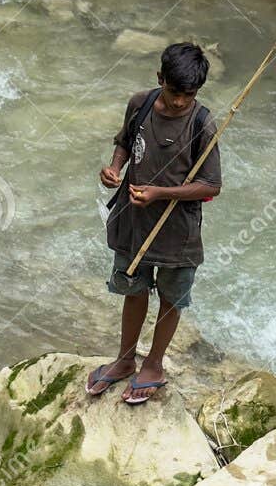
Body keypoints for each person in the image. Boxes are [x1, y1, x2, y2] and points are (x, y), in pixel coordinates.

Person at [87, 42, 223, 405]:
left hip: (178, 230)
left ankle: (155, 365)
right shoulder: (141, 104)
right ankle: (125, 359)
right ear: (160, 79)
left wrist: (160, 193)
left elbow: (212, 185)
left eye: (189, 95)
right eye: (175, 92)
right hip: (134, 220)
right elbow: (125, 143)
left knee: (170, 296)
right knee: (132, 288)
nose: (180, 102)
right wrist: (114, 168)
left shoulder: (202, 123)